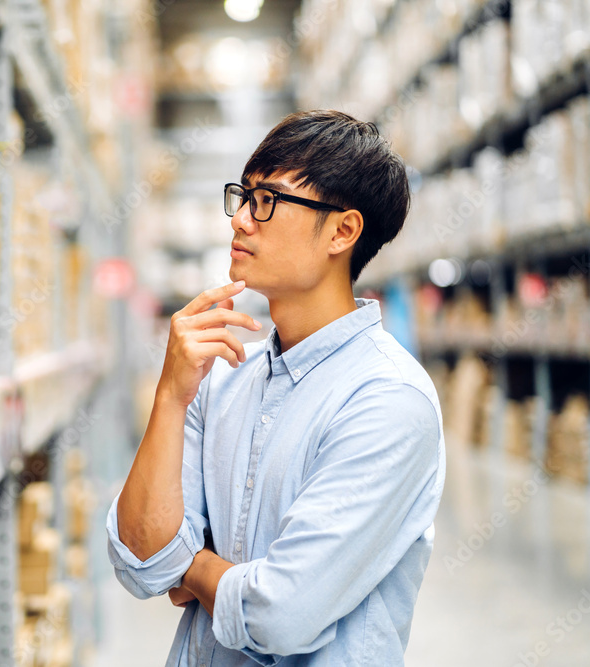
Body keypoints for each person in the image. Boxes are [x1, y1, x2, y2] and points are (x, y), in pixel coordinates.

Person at [107, 110, 446, 666]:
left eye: (267, 200)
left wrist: (192, 565)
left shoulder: (387, 400)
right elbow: (139, 561)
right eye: (243, 197)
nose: (241, 220)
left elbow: (280, 615)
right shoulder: (220, 377)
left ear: (343, 231)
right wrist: (170, 397)